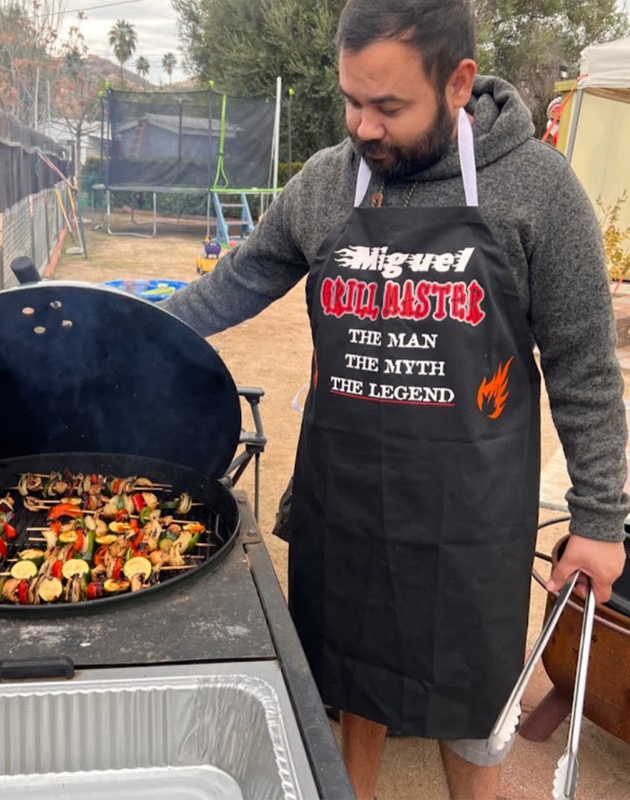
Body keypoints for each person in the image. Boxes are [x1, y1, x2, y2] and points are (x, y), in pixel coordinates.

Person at [163, 1, 629, 797]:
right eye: (352, 100)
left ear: (458, 84)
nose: (364, 128)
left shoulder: (537, 188)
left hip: (470, 522)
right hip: (344, 504)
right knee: (348, 682)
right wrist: (118, 328)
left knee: (471, 708)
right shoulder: (325, 183)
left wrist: (598, 520)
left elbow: (586, 363)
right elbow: (231, 287)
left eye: (388, 107)